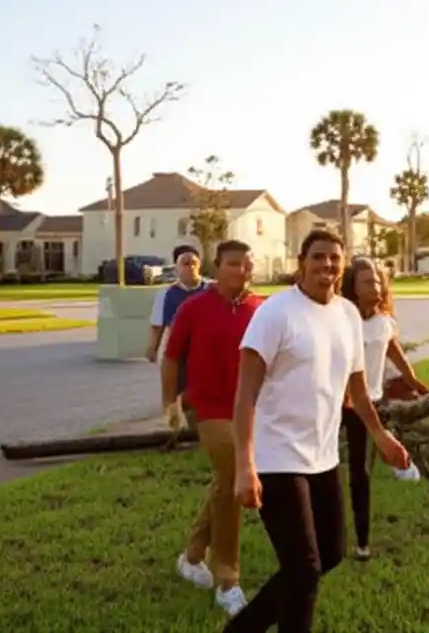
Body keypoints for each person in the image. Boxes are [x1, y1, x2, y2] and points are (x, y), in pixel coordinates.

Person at [227, 231, 411, 633]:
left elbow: (358, 391)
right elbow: (245, 395)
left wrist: (380, 435)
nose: (327, 265)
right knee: (304, 568)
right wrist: (245, 465)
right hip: (277, 456)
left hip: (323, 455)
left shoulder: (347, 314)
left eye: (334, 259)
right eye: (319, 257)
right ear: (301, 261)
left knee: (329, 554)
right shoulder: (276, 313)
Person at [161, 240, 262, 618]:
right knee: (235, 481)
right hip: (211, 410)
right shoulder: (194, 307)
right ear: (217, 268)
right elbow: (171, 358)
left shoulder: (262, 308)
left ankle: (191, 556)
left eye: (247, 264)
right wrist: (169, 403)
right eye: (233, 264)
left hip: (252, 412)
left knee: (224, 484)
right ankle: (228, 582)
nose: (241, 270)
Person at [339, 255, 429, 559]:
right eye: (368, 282)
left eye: (378, 281)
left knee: (359, 471)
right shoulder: (341, 318)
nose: (375, 287)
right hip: (336, 402)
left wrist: (413, 381)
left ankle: (362, 542)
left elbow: (394, 351)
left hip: (368, 402)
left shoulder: (383, 321)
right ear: (353, 286)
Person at [146, 245, 208, 363]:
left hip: (206, 349)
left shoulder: (212, 290)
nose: (191, 267)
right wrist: (153, 348)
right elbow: (157, 326)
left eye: (194, 263)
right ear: (176, 268)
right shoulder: (165, 294)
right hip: (177, 349)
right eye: (186, 264)